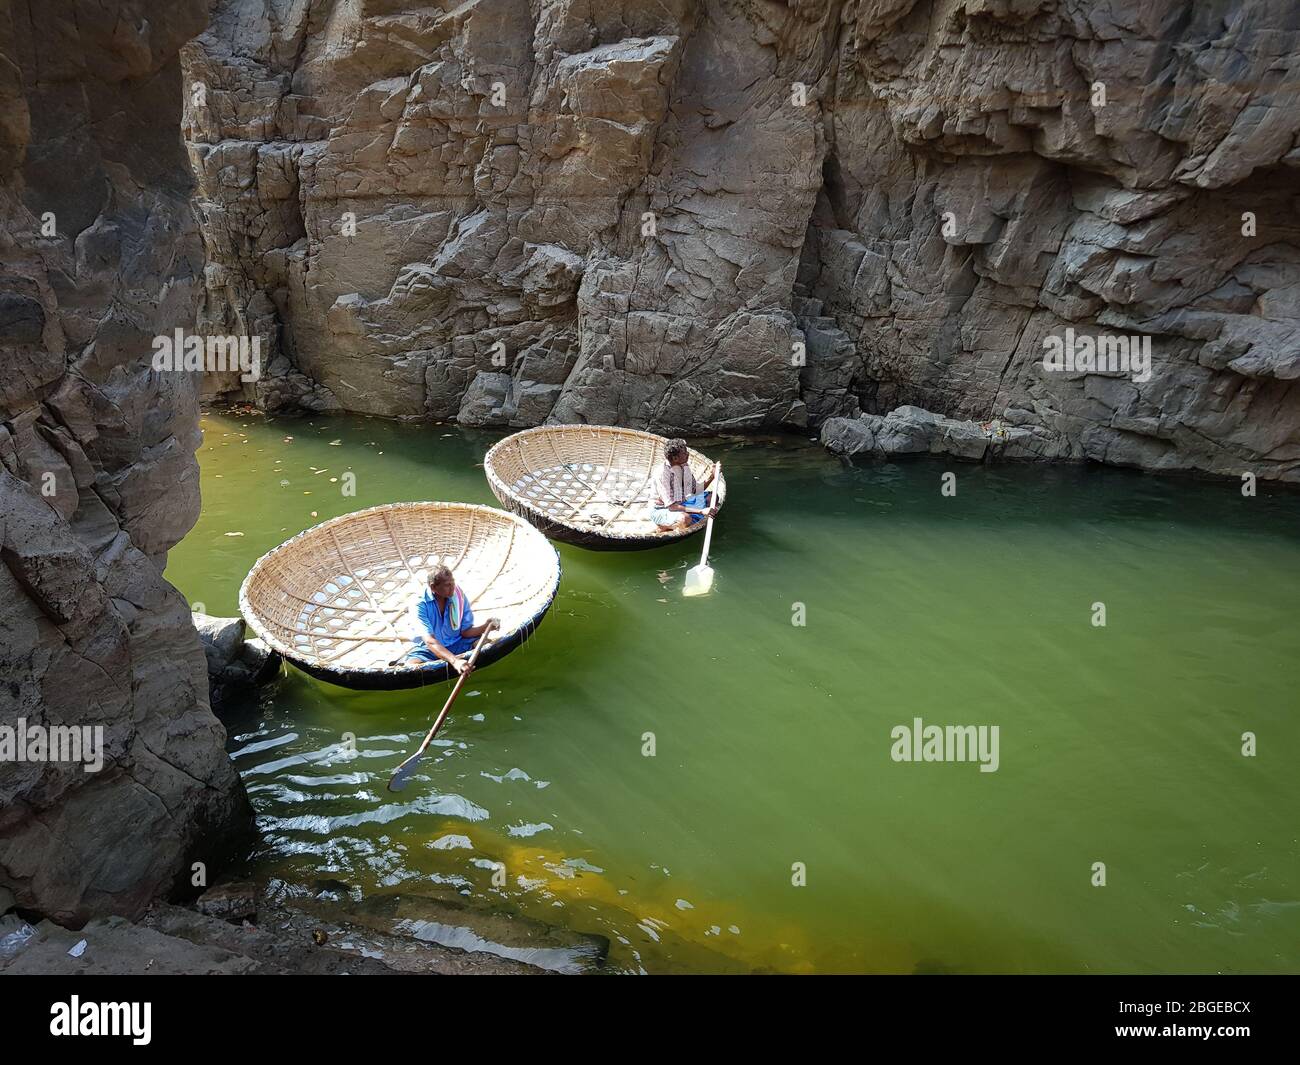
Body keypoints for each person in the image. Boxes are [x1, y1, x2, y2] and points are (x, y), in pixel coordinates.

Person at [405, 564, 498, 674]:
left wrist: (486, 626)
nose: (453, 587)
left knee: (485, 645)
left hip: (457, 642)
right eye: (447, 585)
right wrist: (455, 661)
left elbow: (465, 632)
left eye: (453, 582)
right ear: (433, 587)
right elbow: (430, 641)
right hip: (430, 649)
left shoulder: (458, 595)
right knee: (411, 666)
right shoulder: (420, 605)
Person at [650, 439, 717, 531]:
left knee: (712, 497)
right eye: (685, 452)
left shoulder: (684, 466)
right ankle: (664, 526)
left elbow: (695, 490)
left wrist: (712, 476)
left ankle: (689, 520)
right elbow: (672, 506)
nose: (688, 454)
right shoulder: (662, 474)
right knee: (685, 519)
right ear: (675, 458)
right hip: (662, 510)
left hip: (682, 503)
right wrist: (701, 511)